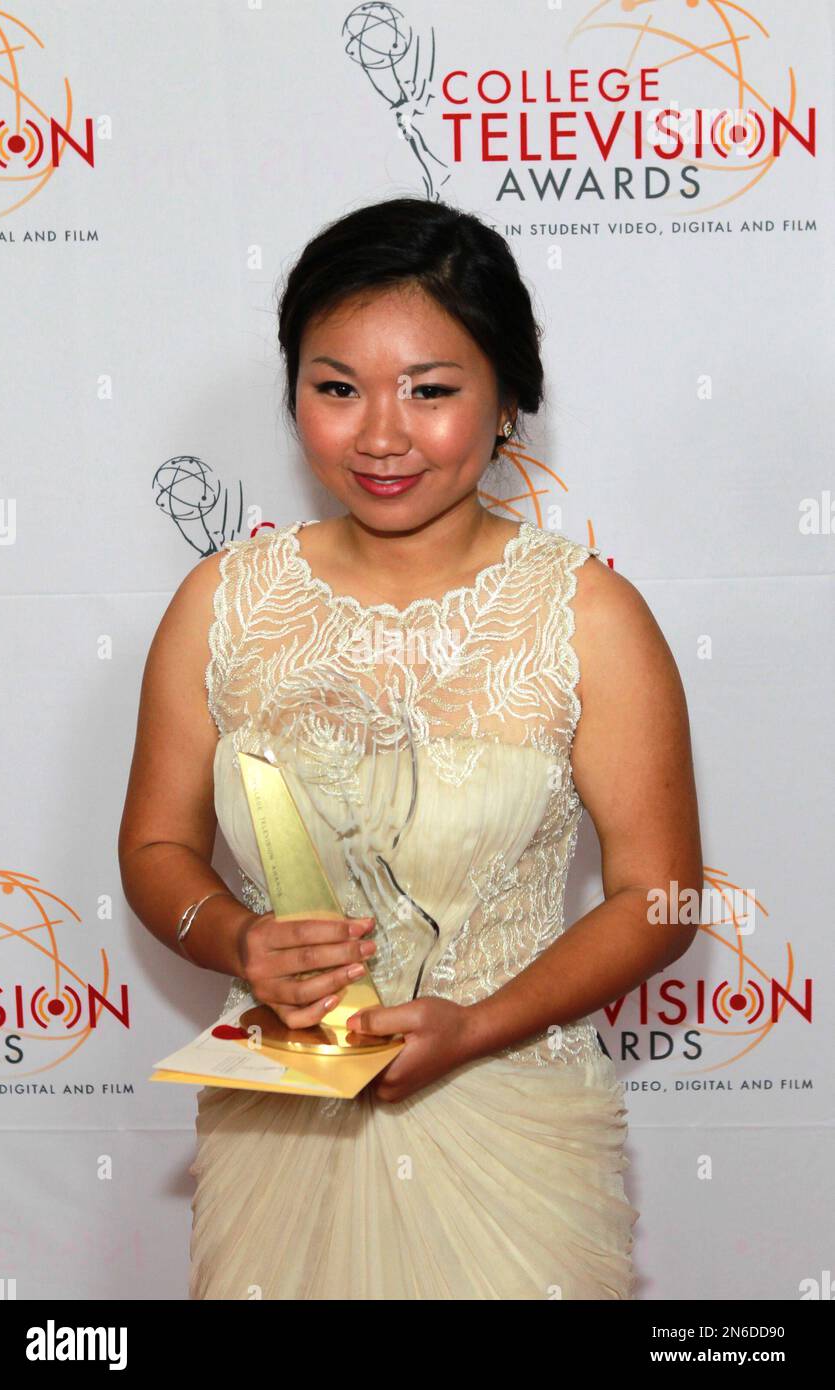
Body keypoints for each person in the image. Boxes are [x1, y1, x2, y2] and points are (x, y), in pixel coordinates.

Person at [118, 196, 702, 1300]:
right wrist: (239, 937)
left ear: (508, 398)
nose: (379, 434)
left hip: (513, 1129)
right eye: (336, 388)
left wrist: (478, 1025)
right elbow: (155, 846)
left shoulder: (586, 616)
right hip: (284, 1122)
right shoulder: (224, 601)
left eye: (429, 391)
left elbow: (657, 898)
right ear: (293, 391)